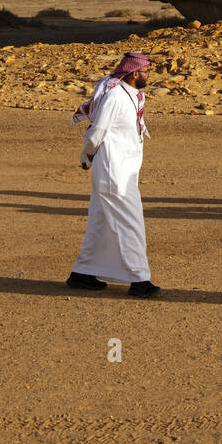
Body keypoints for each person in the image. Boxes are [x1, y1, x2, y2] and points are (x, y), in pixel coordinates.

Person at [66, 51, 160, 296]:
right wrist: (86, 155)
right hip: (113, 171)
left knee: (102, 221)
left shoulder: (133, 96)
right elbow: (97, 131)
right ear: (134, 73)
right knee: (131, 223)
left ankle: (83, 273)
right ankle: (140, 280)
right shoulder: (116, 97)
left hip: (124, 169)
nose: (149, 75)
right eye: (147, 71)